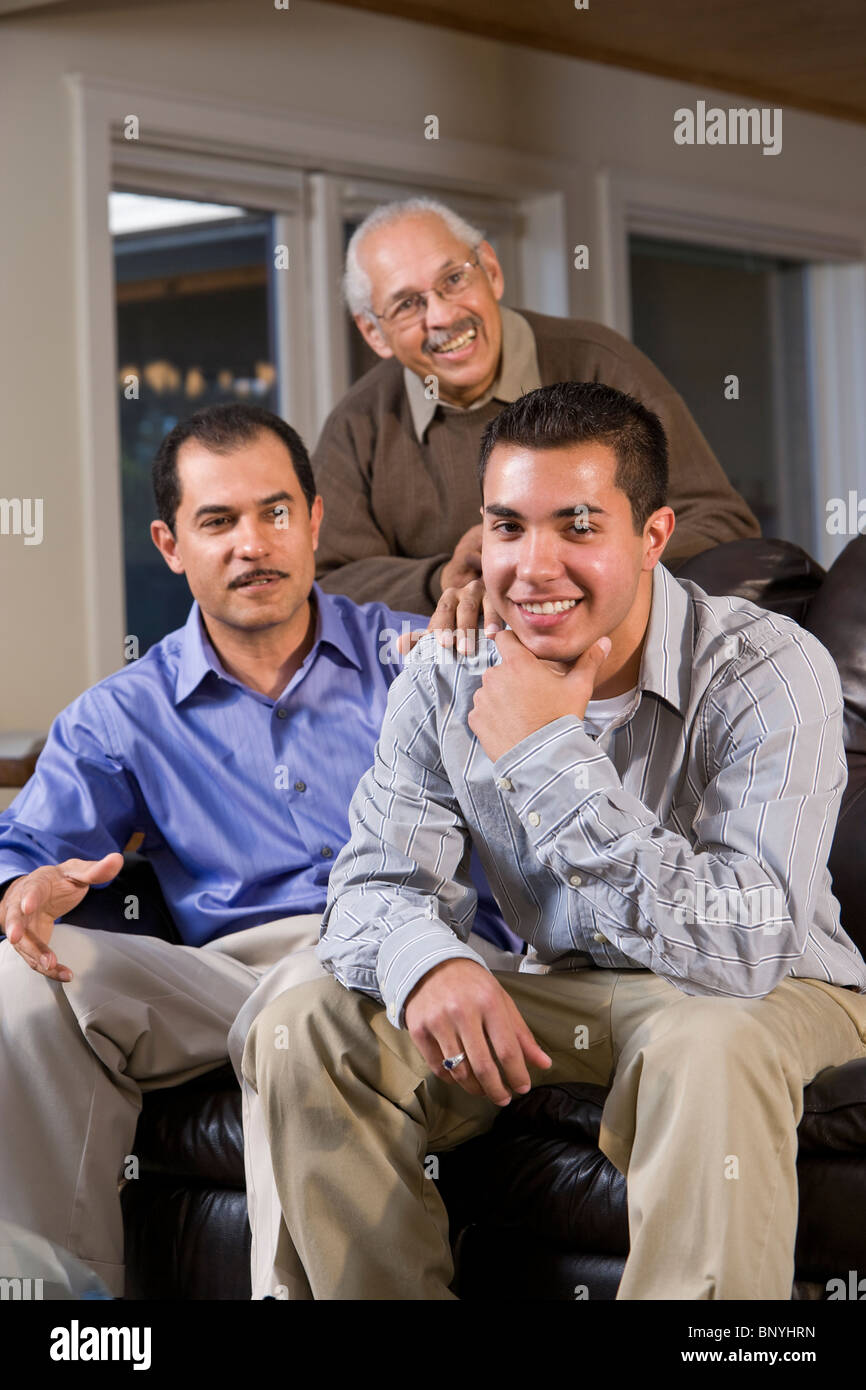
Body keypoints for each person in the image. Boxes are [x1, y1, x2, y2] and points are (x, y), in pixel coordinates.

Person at [245, 380, 866, 1301]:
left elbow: (741, 941)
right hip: (563, 990)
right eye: (507, 528)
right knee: (306, 1019)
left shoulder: (768, 665)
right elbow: (374, 881)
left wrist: (547, 752)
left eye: (577, 527)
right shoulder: (446, 675)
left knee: (705, 1041)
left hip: (773, 986)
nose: (533, 568)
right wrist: (427, 960)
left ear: (651, 538)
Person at [0, 401, 508, 1299]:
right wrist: (24, 887)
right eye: (217, 521)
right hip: (228, 975)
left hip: (402, 954)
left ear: (314, 523)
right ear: (170, 543)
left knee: (306, 1007)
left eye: (276, 512)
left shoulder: (415, 658)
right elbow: (30, 847)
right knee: (18, 974)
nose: (252, 544)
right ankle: (58, 1299)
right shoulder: (126, 713)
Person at [312, 197, 760, 613]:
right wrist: (441, 578)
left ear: (490, 270)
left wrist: (575, 559)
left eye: (454, 279)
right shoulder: (358, 423)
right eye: (408, 304)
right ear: (374, 333)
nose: (443, 317)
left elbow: (723, 526)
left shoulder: (597, 361)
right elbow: (322, 581)